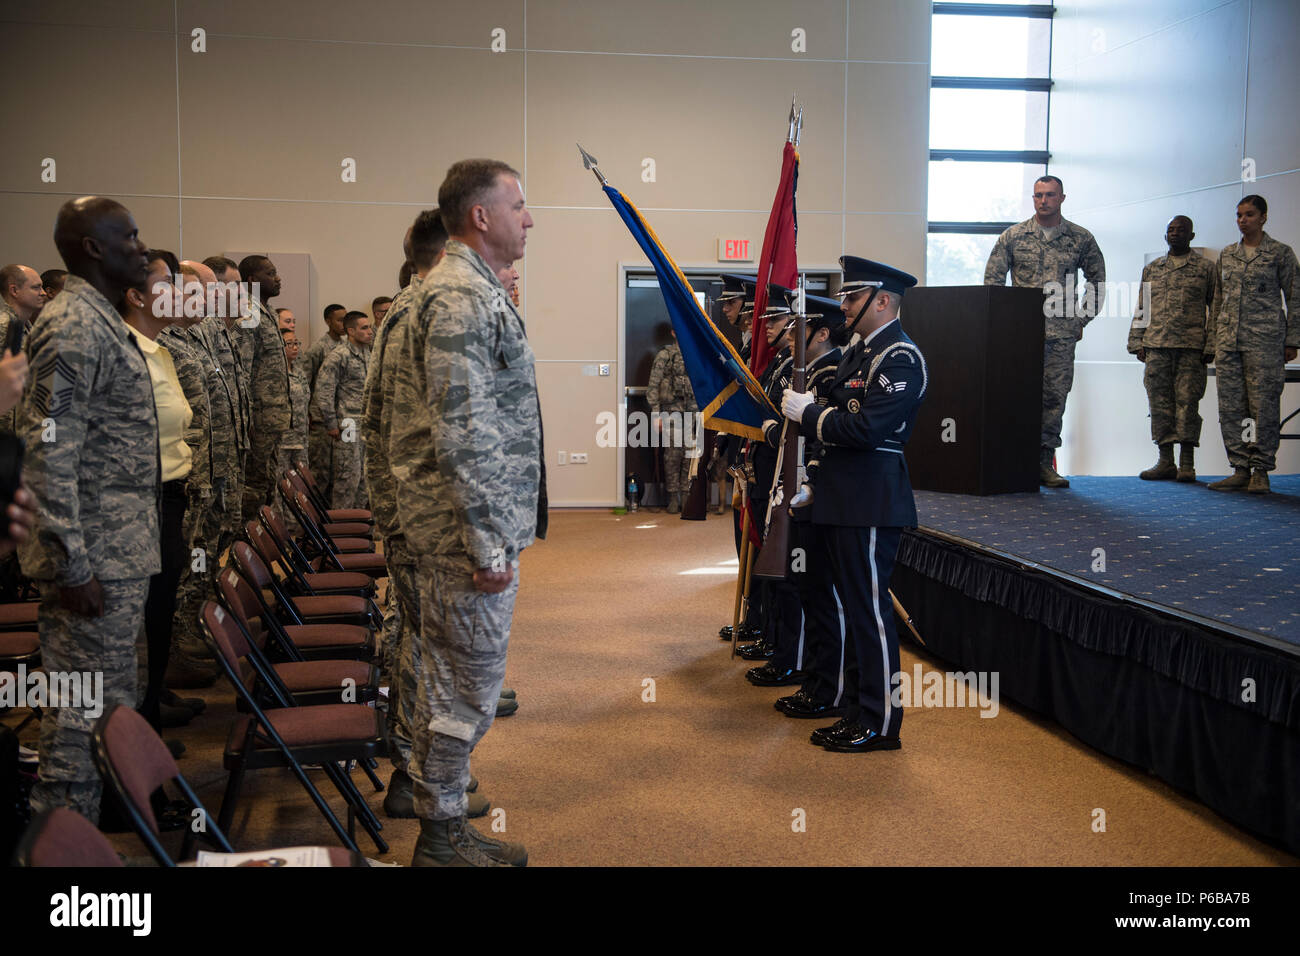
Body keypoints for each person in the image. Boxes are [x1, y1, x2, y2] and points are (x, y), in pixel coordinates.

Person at [388, 158, 544, 867]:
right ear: (480, 216)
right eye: (518, 206)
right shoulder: (459, 298)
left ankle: (441, 822)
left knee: (447, 686)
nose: (529, 219)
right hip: (460, 545)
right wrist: (487, 545)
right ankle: (441, 835)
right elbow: (463, 431)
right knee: (464, 694)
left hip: (445, 534)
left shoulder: (460, 290)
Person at [20, 196, 159, 822]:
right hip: (92, 562)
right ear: (94, 249)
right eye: (128, 236)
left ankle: (86, 848)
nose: (143, 247)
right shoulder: (72, 325)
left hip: (117, 555)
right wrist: (70, 565)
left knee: (107, 709)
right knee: (78, 723)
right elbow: (47, 454)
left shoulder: (99, 319)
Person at [781, 256, 926, 753]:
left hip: (869, 499)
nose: (842, 304)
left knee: (869, 611)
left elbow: (865, 429)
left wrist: (812, 413)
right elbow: (840, 428)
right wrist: (814, 479)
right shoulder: (858, 353)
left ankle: (881, 721)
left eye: (852, 296)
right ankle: (854, 709)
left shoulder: (900, 357)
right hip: (841, 495)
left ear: (882, 301)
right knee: (850, 604)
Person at [984, 175, 1106, 488]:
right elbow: (992, 284)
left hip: (1061, 335)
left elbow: (1097, 282)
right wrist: (1002, 324)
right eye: (1038, 195)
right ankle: (1014, 461)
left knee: (1054, 398)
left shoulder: (1080, 239)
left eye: (1050, 195)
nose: (1043, 201)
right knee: (1016, 394)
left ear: (1062, 198)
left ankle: (1043, 463)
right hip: (1019, 336)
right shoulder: (1013, 236)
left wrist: (1081, 320)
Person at [751, 293, 846, 691]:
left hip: (811, 487)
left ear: (822, 333)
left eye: (799, 330)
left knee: (805, 582)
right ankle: (786, 652)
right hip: (785, 480)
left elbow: (816, 434)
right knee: (788, 577)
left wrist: (776, 431)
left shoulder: (829, 373)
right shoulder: (800, 370)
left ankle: (798, 661)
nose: (790, 337)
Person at [123, 250, 197, 740]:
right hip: (136, 508)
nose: (184, 294)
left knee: (158, 614)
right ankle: (134, 742)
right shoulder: (123, 352)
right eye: (169, 284)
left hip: (167, 499)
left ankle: (148, 713)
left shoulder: (160, 349)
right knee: (137, 626)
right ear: (134, 295)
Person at [1205, 195, 1299, 495]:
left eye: (1249, 214)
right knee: (1233, 407)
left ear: (1263, 217)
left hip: (1266, 343)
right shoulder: (1228, 255)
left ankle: (1261, 470)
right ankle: (1239, 467)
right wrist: (1214, 339)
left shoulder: (1280, 254)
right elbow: (1218, 300)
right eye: (1239, 215)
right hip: (1229, 343)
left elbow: (1295, 298)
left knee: (1263, 407)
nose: (1242, 220)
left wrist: (1293, 339)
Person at [1127, 216, 1216, 482]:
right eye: (1171, 230)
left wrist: (1211, 344)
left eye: (1181, 230)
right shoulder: (1152, 268)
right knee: (1159, 404)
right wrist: (1136, 341)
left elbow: (1218, 307)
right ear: (1165, 236)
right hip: (1156, 347)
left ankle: (1186, 464)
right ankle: (1165, 460)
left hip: (1191, 348)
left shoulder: (1206, 268)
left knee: (1188, 404)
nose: (1175, 234)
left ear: (1192, 235)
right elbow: (1143, 307)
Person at [236, 255, 291, 519]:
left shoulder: (265, 311)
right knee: (254, 485)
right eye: (271, 273)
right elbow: (243, 367)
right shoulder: (249, 311)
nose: (278, 278)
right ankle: (245, 546)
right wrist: (246, 417)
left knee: (268, 482)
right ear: (252, 280)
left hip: (272, 418)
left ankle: (259, 542)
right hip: (258, 418)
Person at [313, 311, 373, 510]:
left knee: (365, 478)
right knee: (347, 477)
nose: (369, 331)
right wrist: (330, 423)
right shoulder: (339, 355)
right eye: (364, 328)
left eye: (369, 327)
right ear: (350, 331)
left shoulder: (369, 353)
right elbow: (324, 390)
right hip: (347, 424)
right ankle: (341, 528)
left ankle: (359, 530)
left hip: (366, 425)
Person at [646, 327, 699, 514]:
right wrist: (655, 413)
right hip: (671, 412)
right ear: (673, 332)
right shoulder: (665, 355)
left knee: (691, 455)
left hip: (693, 412)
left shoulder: (696, 353)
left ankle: (686, 495)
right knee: (672, 456)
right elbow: (653, 384)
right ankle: (672, 497)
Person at [305, 302, 348, 495]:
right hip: (321, 418)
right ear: (328, 321)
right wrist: (306, 413)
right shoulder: (318, 348)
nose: (343, 324)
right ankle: (315, 517)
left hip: (341, 417)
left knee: (341, 469)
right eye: (339, 320)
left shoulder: (346, 346)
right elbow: (306, 381)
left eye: (345, 320)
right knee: (320, 470)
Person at [0, 264, 43, 437]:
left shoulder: (26, 326)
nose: (43, 293)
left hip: (21, 428)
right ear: (14, 291)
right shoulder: (3, 327)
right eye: (36, 287)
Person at [278, 327, 310, 476]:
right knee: (282, 481)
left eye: (297, 343)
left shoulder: (299, 370)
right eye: (289, 344)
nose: (295, 347)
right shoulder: (275, 373)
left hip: (301, 437)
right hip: (283, 440)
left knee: (302, 481)